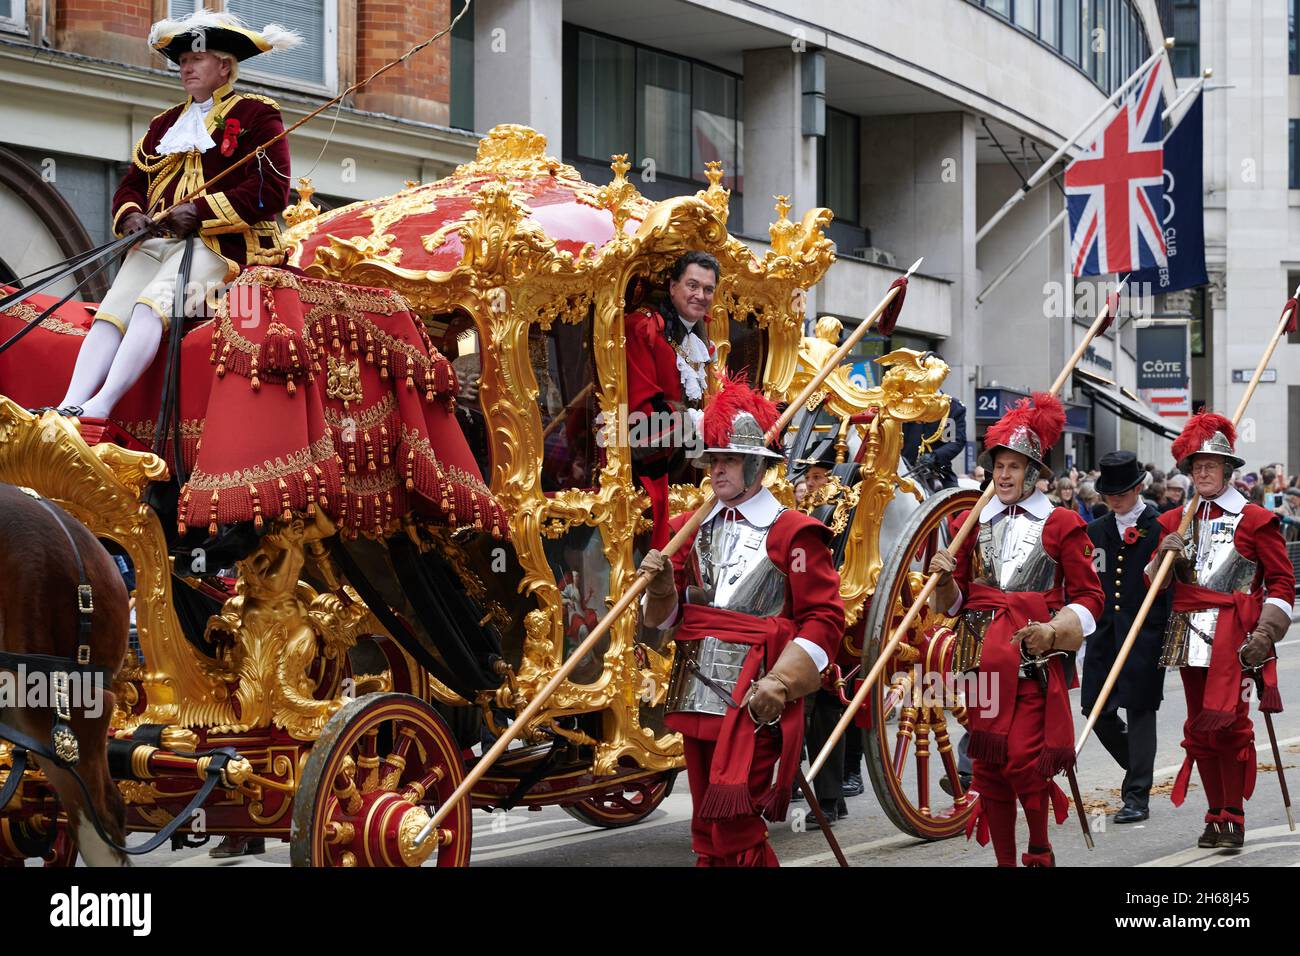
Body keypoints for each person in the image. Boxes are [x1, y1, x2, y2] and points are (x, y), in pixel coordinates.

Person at [52, 10, 299, 422]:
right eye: (182, 60)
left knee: (153, 305)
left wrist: (199, 212)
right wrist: (131, 216)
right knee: (113, 310)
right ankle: (69, 403)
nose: (186, 66)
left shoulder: (257, 114)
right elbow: (132, 184)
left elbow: (270, 192)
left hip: (221, 244)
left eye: (196, 59)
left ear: (224, 66)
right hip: (155, 240)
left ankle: (101, 406)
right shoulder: (164, 124)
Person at [639, 374, 845, 866]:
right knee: (707, 830)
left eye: (728, 459)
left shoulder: (793, 532)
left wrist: (781, 681)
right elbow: (670, 619)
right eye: (713, 459)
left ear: (757, 465)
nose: (717, 470)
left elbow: (824, 620)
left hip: (756, 699)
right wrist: (664, 586)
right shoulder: (691, 528)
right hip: (696, 694)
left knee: (735, 828)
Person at [928, 392, 1104, 867]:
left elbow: (1091, 599)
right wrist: (942, 580)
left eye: (1013, 466)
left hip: (1033, 664)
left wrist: (1054, 630)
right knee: (989, 769)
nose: (1002, 475)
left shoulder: (1062, 523)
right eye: (997, 466)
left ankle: (1040, 850)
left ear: (1032, 473)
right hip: (980, 662)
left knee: (1025, 762)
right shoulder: (966, 524)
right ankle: (1006, 861)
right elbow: (954, 604)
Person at [1148, 413, 1294, 850]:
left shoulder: (1254, 519)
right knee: (1200, 728)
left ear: (1228, 470)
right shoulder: (1173, 519)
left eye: (1212, 465)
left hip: (1240, 638)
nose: (1204, 472)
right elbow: (1154, 582)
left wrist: (1265, 634)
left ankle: (1234, 814)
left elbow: (1282, 583)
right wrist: (1162, 558)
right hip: (1188, 633)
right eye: (1197, 466)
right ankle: (1214, 813)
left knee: (1232, 727)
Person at [1081, 451, 1171, 824]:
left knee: (1140, 712)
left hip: (1144, 634)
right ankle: (1137, 769)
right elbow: (1088, 580)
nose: (1115, 499)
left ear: (1137, 488)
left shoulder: (1161, 526)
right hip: (1103, 636)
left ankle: (1137, 796)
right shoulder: (1096, 531)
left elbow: (1168, 587)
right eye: (1109, 493)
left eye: (1122, 491)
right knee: (1095, 711)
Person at [625, 251, 719, 548]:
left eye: (708, 289)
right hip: (645, 474)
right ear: (672, 286)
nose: (700, 295)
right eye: (692, 286)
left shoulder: (701, 340)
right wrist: (696, 425)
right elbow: (640, 428)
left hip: (690, 473)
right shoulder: (644, 328)